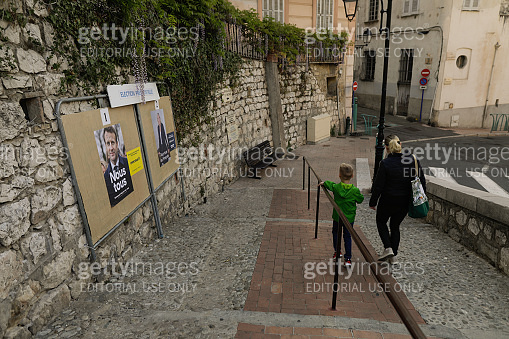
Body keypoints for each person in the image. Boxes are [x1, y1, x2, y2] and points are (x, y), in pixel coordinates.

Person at [369, 136, 426, 264]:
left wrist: (373, 202)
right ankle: (393, 255)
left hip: (387, 200)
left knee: (381, 222)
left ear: (387, 148)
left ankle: (388, 248)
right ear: (401, 145)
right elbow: (421, 180)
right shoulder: (412, 160)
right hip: (404, 201)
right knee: (395, 226)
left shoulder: (385, 163)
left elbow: (378, 185)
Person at [319, 163, 364, 267]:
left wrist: (324, 183)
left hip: (337, 217)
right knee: (347, 236)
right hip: (349, 218)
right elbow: (360, 200)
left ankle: (337, 251)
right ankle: (348, 258)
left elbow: (330, 185)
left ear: (339, 175)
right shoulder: (354, 190)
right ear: (352, 176)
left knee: (336, 233)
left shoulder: (336, 187)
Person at [103, 126, 134, 207]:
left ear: (117, 144)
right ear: (105, 146)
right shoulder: (106, 177)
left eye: (112, 143)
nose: (111, 148)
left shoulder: (128, 164)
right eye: (108, 143)